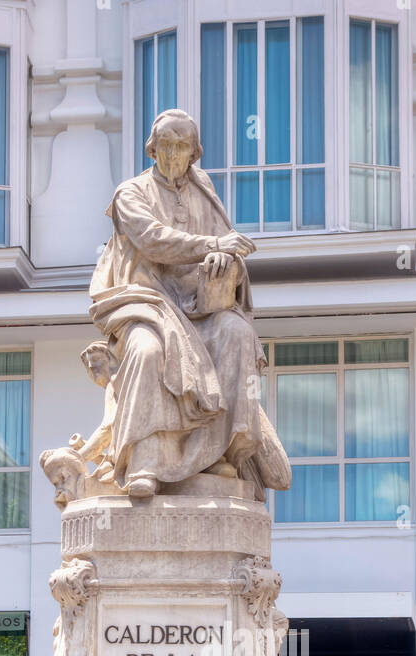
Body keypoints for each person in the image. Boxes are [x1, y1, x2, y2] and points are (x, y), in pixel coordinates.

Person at [87, 107, 290, 499]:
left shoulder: (203, 190)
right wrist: (213, 245)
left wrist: (222, 261)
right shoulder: (130, 193)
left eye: (181, 146)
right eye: (165, 144)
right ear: (153, 148)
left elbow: (228, 246)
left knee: (236, 332)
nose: (172, 154)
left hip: (197, 306)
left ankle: (215, 455)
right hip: (144, 300)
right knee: (147, 351)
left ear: (194, 153)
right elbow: (152, 238)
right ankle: (144, 461)